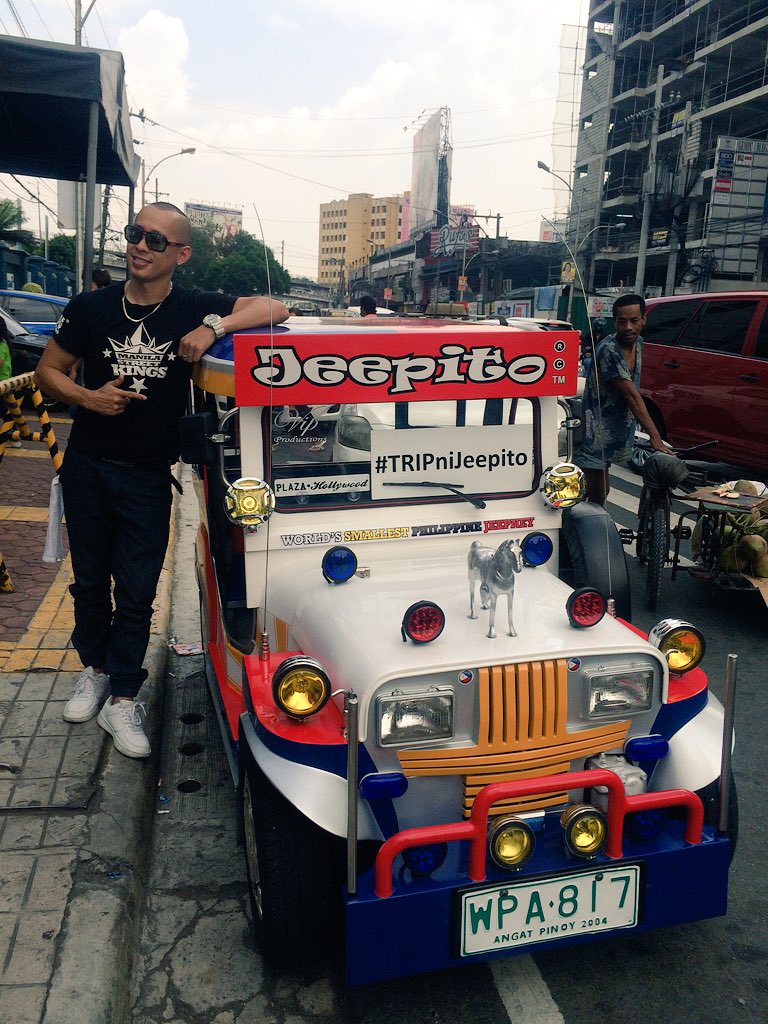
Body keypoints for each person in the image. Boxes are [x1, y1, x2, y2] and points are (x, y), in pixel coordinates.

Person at [34, 202, 288, 759]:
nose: (140, 246)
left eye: (154, 239)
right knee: (87, 580)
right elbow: (48, 371)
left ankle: (124, 697)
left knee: (138, 589)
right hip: (88, 467)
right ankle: (95, 670)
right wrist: (88, 397)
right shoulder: (91, 307)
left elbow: (275, 304)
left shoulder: (194, 307)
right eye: (134, 234)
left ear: (181, 253)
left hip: (149, 475)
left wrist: (214, 326)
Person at [574, 293, 666, 506]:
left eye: (634, 321)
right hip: (594, 434)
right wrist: (655, 437)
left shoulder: (639, 343)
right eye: (621, 321)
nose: (628, 327)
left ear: (644, 319)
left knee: (597, 494)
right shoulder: (608, 350)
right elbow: (631, 395)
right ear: (613, 321)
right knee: (596, 498)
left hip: (616, 433)